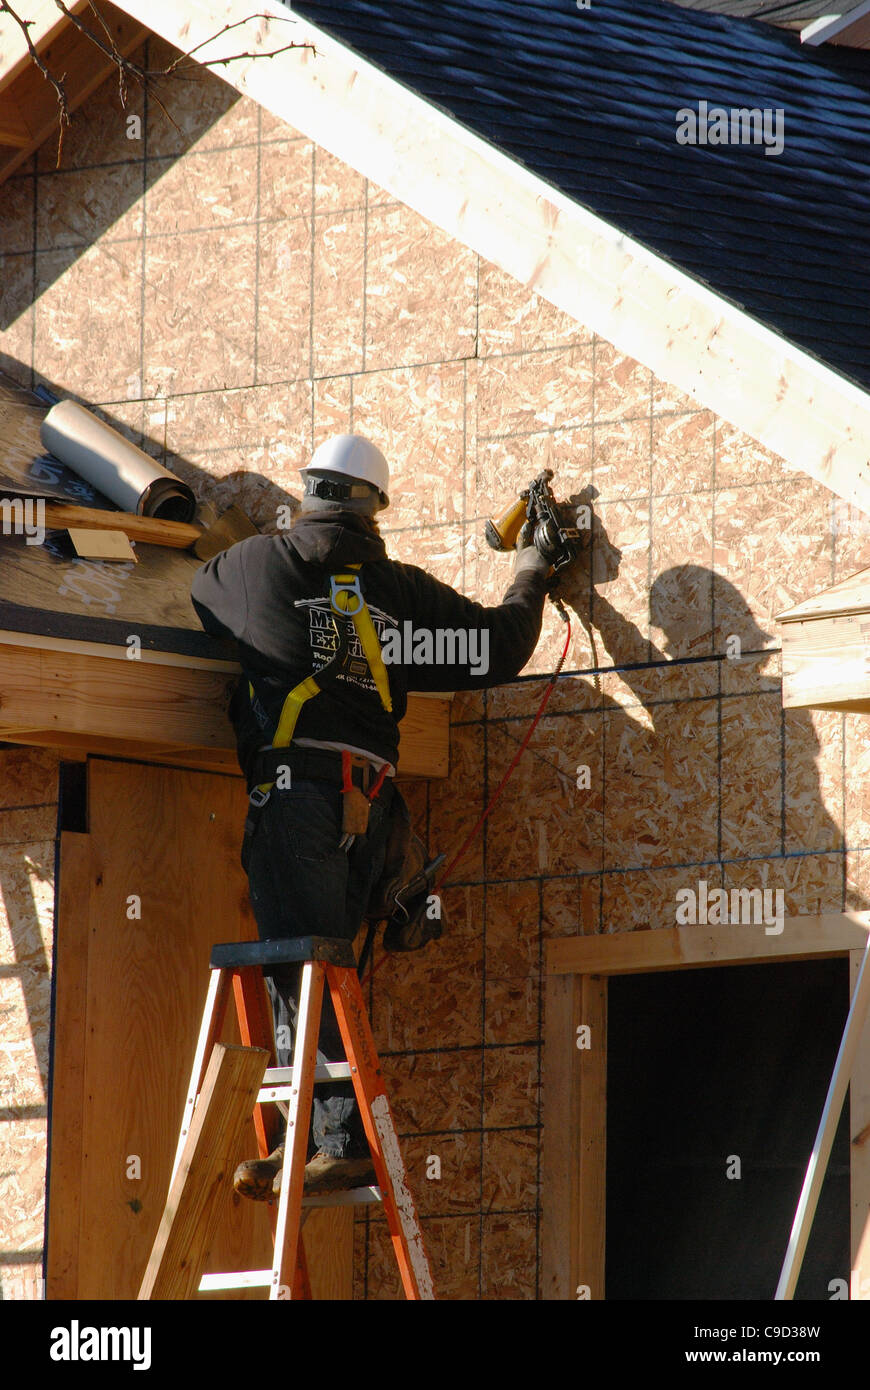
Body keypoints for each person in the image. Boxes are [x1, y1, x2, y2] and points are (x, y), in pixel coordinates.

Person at [190, 434, 552, 1197]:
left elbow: (203, 594)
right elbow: (499, 644)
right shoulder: (403, 596)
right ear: (373, 508)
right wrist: (533, 566)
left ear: (308, 492)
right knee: (322, 964)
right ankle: (308, 1139)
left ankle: (334, 1142)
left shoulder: (258, 566)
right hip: (374, 812)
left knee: (300, 963)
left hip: (298, 800)